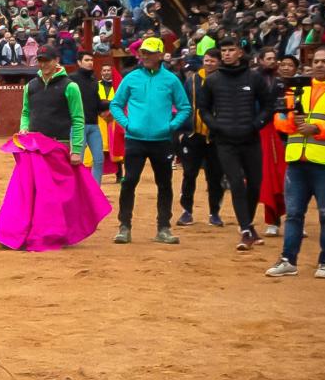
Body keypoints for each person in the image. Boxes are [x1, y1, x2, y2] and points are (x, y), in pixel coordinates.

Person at [266, 46, 325, 279]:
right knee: (294, 214)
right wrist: (293, 125)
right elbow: (280, 120)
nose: (318, 65)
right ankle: (288, 260)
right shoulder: (296, 89)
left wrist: (317, 128)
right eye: (316, 61)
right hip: (297, 160)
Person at [109, 37, 193, 245]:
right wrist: (127, 124)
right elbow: (116, 105)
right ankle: (124, 226)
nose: (144, 55)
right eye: (142, 52)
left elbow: (185, 107)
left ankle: (163, 227)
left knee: (164, 184)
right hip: (135, 139)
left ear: (159, 55)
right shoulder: (131, 78)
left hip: (162, 140)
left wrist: (172, 126)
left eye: (149, 52)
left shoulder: (171, 80)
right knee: (129, 182)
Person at [197, 37, 273, 251]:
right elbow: (203, 108)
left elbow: (268, 105)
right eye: (224, 50)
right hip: (225, 141)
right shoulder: (212, 80)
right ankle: (246, 229)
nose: (227, 54)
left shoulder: (254, 77)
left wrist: (256, 124)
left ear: (240, 52)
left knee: (255, 183)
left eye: (231, 50)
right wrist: (216, 126)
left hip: (250, 138)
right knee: (236, 183)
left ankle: (248, 224)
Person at [178, 52, 225, 227]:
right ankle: (186, 211)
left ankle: (215, 213)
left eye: (213, 61)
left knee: (215, 176)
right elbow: (184, 104)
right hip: (194, 134)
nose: (210, 64)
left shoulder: (224, 80)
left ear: (219, 63)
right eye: (207, 61)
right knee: (189, 174)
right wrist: (183, 130)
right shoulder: (192, 81)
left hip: (216, 137)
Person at [71, 51, 105, 183]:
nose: (90, 62)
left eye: (91, 60)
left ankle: (95, 192)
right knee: (76, 160)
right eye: (87, 60)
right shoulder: (71, 79)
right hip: (77, 126)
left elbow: (97, 103)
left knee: (99, 160)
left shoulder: (93, 80)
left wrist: (112, 103)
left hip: (93, 125)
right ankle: (77, 191)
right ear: (79, 62)